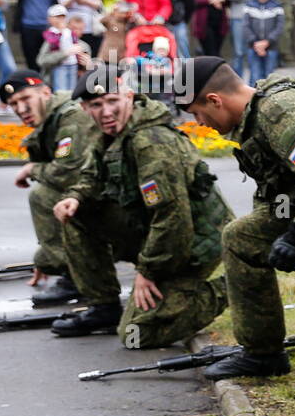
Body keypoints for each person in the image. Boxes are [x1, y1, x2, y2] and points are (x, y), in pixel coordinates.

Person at [176, 57, 295, 378]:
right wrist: (278, 231)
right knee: (242, 237)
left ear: (215, 100)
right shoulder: (254, 120)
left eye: (197, 113)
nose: (199, 123)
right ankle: (262, 353)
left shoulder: (284, 112)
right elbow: (275, 191)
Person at [51, 64, 232, 345]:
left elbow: (172, 217)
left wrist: (148, 271)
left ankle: (232, 287)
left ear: (129, 96)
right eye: (97, 104)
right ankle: (103, 306)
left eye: (112, 101)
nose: (106, 111)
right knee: (77, 212)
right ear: (86, 109)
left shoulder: (150, 142)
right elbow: (92, 175)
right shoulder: (108, 133)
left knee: (137, 333)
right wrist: (74, 196)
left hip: (195, 243)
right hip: (157, 233)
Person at [1, 68, 100, 306]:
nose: (21, 108)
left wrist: (31, 169)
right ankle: (71, 269)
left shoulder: (71, 116)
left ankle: (78, 276)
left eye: (26, 99)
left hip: (108, 190)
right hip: (94, 185)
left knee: (43, 196)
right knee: (44, 255)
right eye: (14, 104)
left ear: (45, 92)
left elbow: (68, 172)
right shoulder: (52, 119)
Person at [35, 6, 86, 92]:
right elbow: (41, 60)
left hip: (73, 65)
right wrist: (65, 53)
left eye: (63, 17)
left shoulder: (70, 34)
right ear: (50, 19)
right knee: (61, 92)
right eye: (57, 17)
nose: (60, 20)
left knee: (72, 92)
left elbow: (81, 49)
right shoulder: (51, 35)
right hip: (59, 66)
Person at [241, 0, 283, 81]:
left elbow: (279, 27)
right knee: (254, 76)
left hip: (271, 46)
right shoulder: (249, 6)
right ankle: (253, 97)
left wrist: (267, 42)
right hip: (253, 46)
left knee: (269, 77)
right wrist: (256, 43)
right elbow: (245, 26)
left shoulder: (277, 6)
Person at [94, 0, 134, 66]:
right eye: (121, 12)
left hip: (121, 54)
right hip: (108, 53)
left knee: (116, 73)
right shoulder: (111, 20)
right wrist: (112, 11)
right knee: (107, 72)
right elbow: (102, 20)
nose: (123, 15)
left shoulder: (127, 22)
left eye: (125, 12)